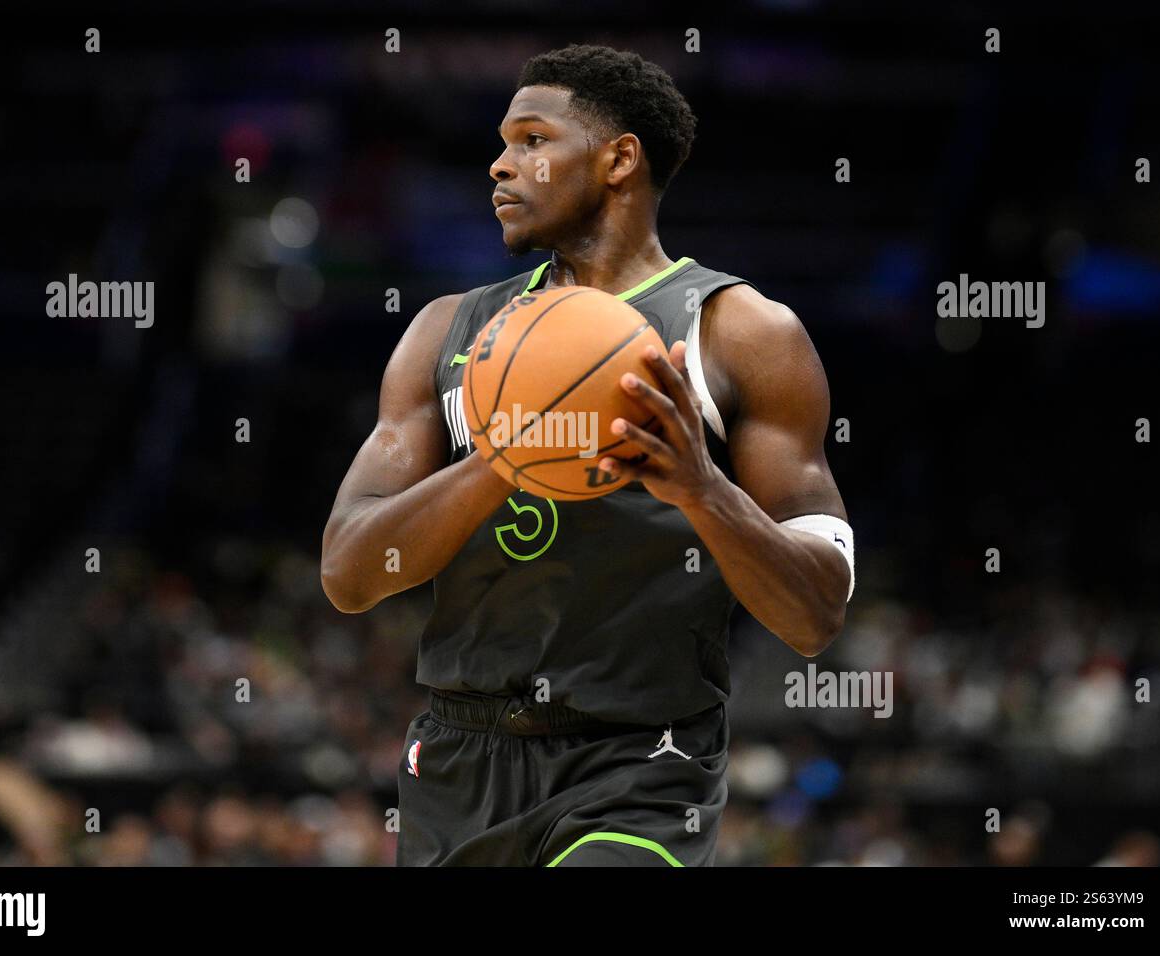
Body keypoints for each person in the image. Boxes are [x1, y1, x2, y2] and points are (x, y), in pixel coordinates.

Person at [321, 43, 854, 866]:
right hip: (458, 758)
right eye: (502, 142)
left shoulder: (742, 334)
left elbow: (815, 614)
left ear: (619, 158)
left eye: (532, 140)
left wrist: (702, 489)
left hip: (641, 760)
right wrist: (503, 456)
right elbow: (351, 575)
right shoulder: (445, 330)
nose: (500, 165)